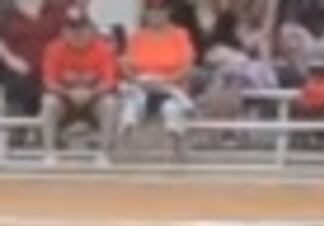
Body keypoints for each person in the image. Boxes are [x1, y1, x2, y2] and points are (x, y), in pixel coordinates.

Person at [40, 5, 118, 164]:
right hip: (65, 102)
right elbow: (49, 82)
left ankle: (104, 154)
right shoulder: (54, 49)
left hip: (94, 102)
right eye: (72, 28)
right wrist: (69, 93)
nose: (77, 33)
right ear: (63, 31)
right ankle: (50, 154)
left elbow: (109, 82)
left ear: (90, 29)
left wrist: (90, 93)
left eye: (82, 27)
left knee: (110, 104)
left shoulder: (103, 49)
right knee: (48, 102)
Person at [120, 0, 196, 159]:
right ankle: (126, 150)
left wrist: (166, 81)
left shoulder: (179, 35)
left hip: (170, 87)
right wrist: (137, 80)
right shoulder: (137, 37)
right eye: (151, 9)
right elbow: (126, 65)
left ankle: (173, 151)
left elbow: (187, 66)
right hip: (142, 85)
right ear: (146, 13)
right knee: (131, 104)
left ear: (168, 12)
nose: (156, 13)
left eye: (161, 9)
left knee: (171, 109)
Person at [1, 0, 68, 119]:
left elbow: (66, 38)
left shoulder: (57, 9)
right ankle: (18, 128)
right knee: (21, 83)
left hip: (51, 69)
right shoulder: (5, 10)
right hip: (17, 70)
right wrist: (10, 58)